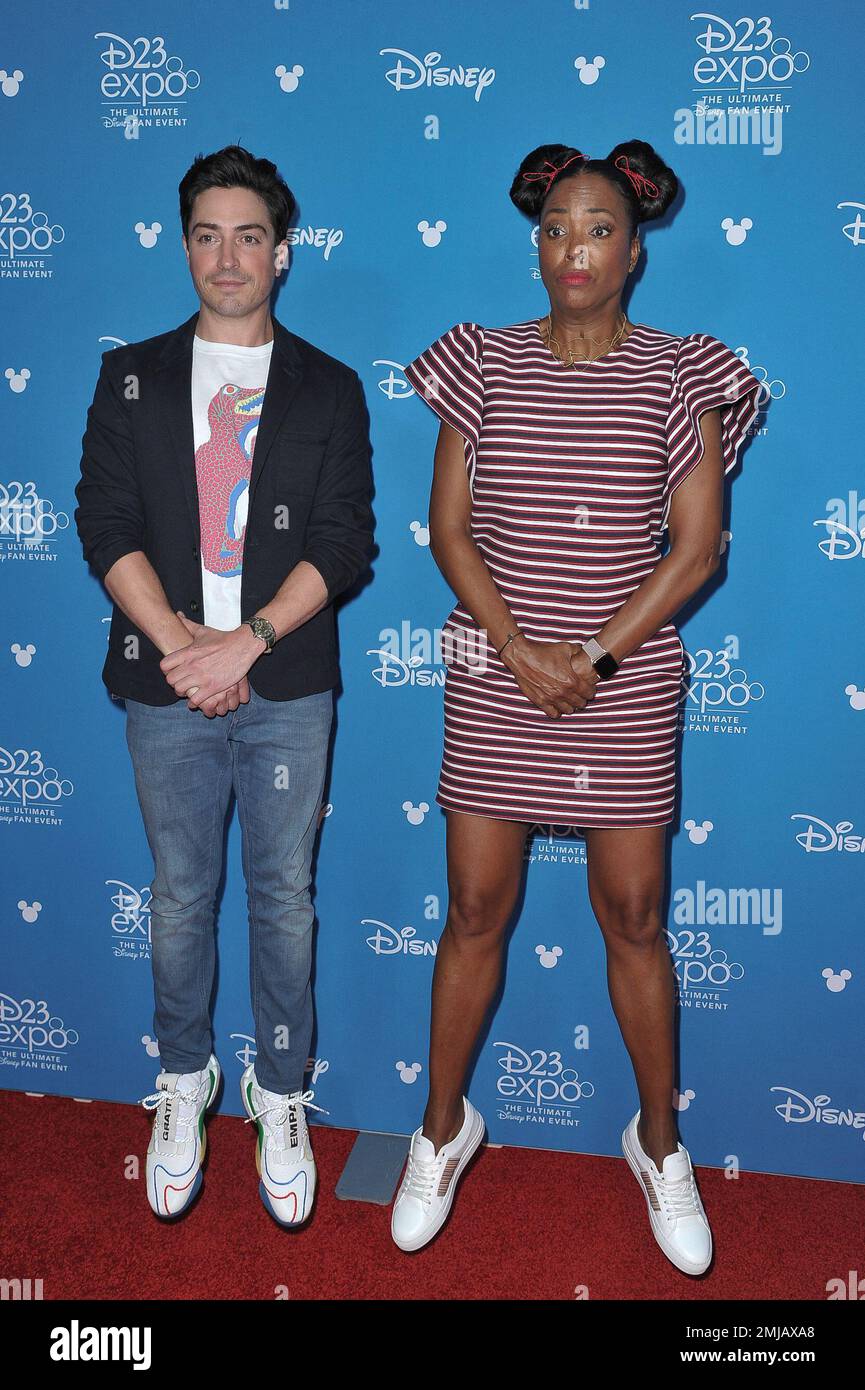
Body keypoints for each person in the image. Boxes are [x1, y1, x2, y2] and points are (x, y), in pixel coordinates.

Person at [392, 140, 762, 1275]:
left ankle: (659, 1144)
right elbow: (449, 529)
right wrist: (517, 648)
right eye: (554, 229)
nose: (572, 249)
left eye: (597, 228)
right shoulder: (479, 361)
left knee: (637, 918)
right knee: (472, 909)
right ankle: (441, 1128)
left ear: (636, 250)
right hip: (499, 672)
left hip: (626, 675)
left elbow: (697, 552)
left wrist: (591, 659)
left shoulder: (686, 372)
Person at [74, 144, 375, 1226]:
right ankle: (183, 1079)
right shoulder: (132, 375)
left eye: (250, 235)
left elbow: (344, 543)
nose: (228, 255)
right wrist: (180, 646)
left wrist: (241, 641)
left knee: (283, 902)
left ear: (282, 252)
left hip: (286, 679)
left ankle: (280, 1091)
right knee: (180, 898)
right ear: (184, 244)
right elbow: (102, 522)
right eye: (207, 233)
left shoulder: (329, 386)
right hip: (165, 685)